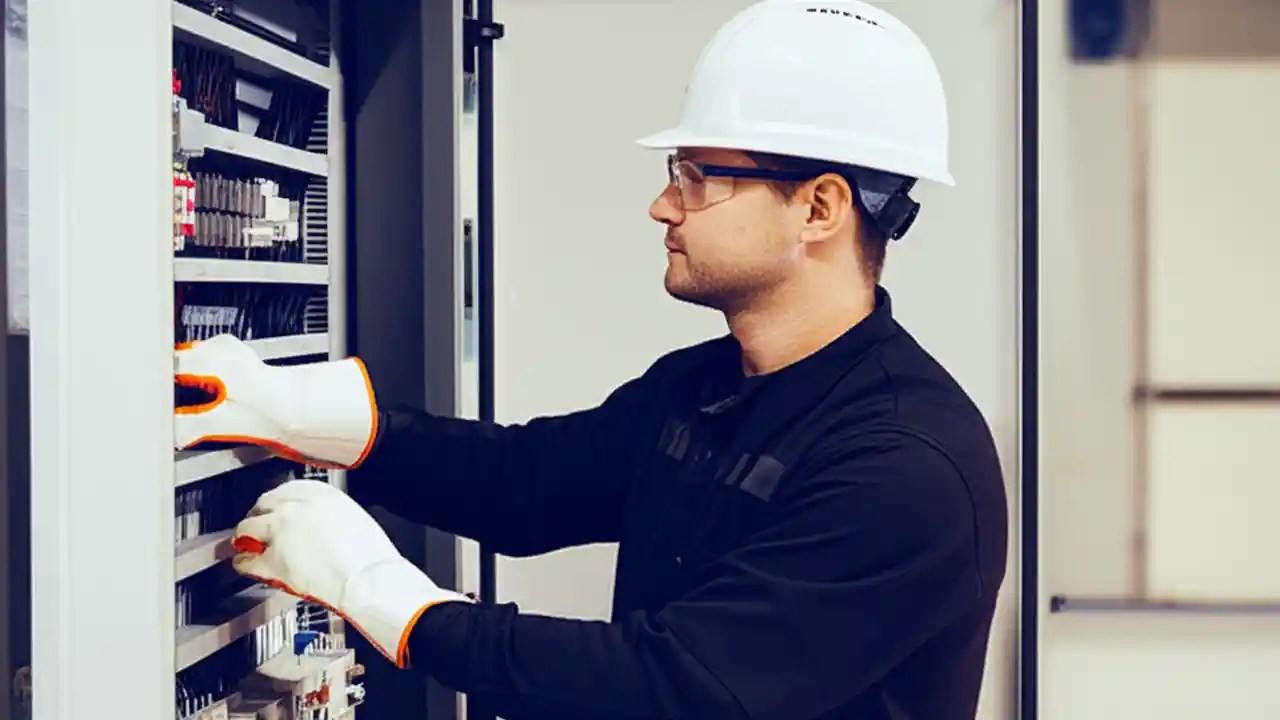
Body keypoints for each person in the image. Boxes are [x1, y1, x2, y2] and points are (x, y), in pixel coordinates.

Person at [173, 1, 1008, 718]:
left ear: (819, 208)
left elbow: (678, 688)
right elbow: (528, 482)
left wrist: (390, 601)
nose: (662, 204)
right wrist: (323, 425)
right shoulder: (704, 387)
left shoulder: (907, 468)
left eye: (695, 176)